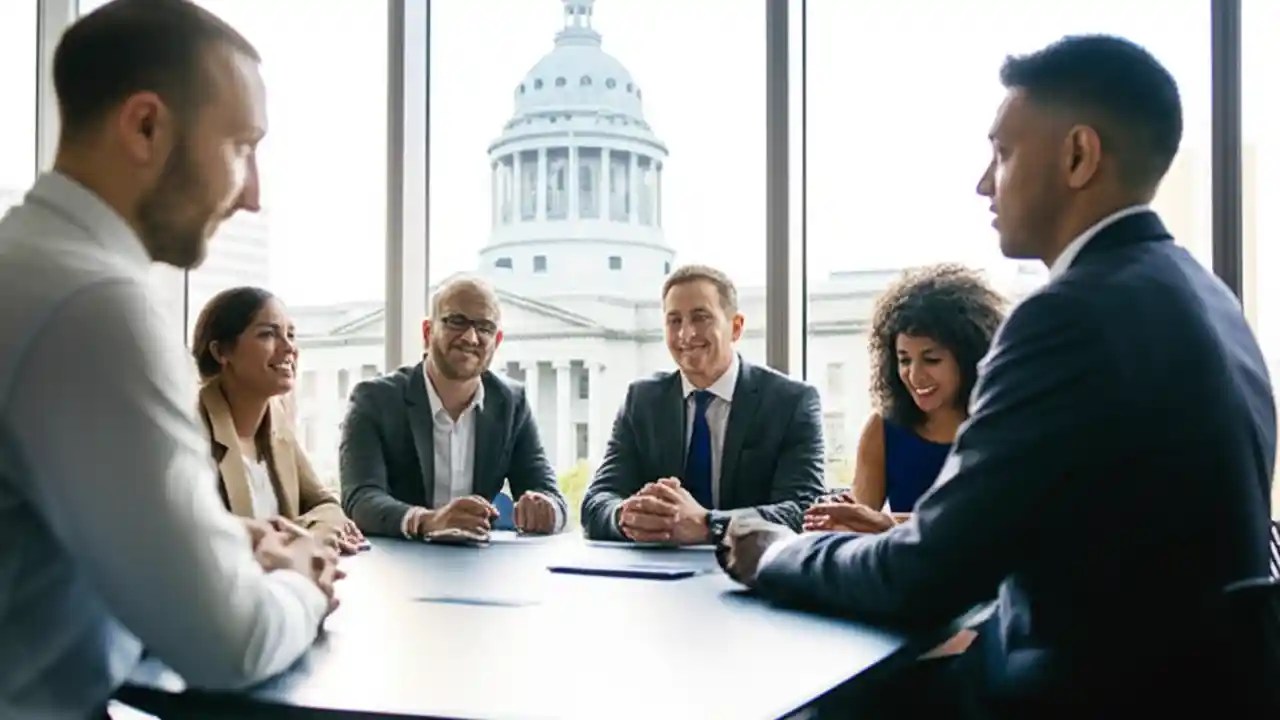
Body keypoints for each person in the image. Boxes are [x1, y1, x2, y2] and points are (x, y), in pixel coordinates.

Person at [719, 34, 1277, 717]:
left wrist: (779, 552)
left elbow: (926, 575)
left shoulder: (1067, 317)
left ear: (1078, 155)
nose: (985, 182)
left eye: (1002, 153)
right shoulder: (1211, 300)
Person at [0, 1, 340, 718]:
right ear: (146, 126)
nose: (254, 195)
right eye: (243, 147)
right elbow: (230, 643)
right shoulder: (93, 308)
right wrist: (306, 579)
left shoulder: (30, 268)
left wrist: (209, 540)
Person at [581, 264, 826, 544]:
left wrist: (709, 524)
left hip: (754, 571)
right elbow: (596, 501)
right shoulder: (643, 401)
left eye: (701, 318)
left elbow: (804, 510)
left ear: (736, 327)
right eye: (674, 321)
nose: (686, 334)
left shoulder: (790, 402)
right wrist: (626, 516)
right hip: (656, 573)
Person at [341, 276, 568, 537]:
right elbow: (360, 498)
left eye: (484, 327)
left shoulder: (511, 403)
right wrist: (429, 521)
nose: (471, 337)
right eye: (456, 322)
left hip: (477, 565)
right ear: (428, 333)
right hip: (395, 562)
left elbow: (549, 493)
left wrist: (546, 509)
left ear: (497, 340)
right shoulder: (375, 399)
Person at [804, 264, 1004, 535]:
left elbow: (995, 523)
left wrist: (891, 523)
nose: (915, 376)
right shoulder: (882, 430)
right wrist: (841, 525)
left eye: (931, 359)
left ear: (969, 357)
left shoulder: (1001, 424)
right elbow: (863, 525)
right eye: (904, 360)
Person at [192, 286, 366, 554]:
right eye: (268, 334)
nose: (289, 348)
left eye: (291, 335)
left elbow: (326, 505)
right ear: (221, 352)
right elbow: (197, 532)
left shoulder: (277, 424)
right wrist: (294, 541)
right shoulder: (191, 429)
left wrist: (313, 536)